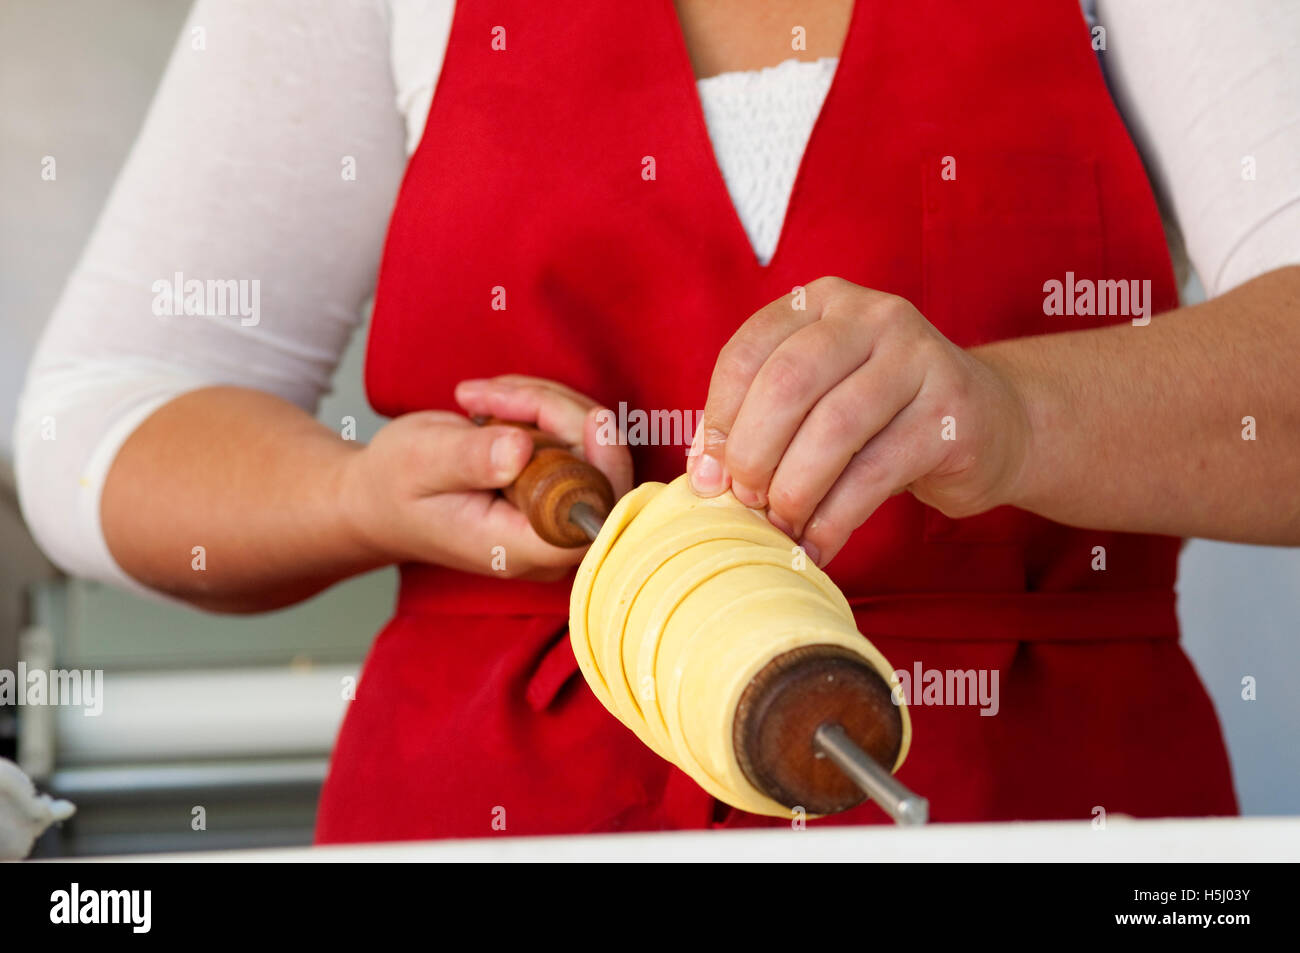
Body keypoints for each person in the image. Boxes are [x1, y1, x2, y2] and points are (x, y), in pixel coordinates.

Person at [15, 0, 1300, 841]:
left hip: (1040, 814)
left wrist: (1017, 412)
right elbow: (90, 421)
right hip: (486, 818)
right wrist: (350, 493)